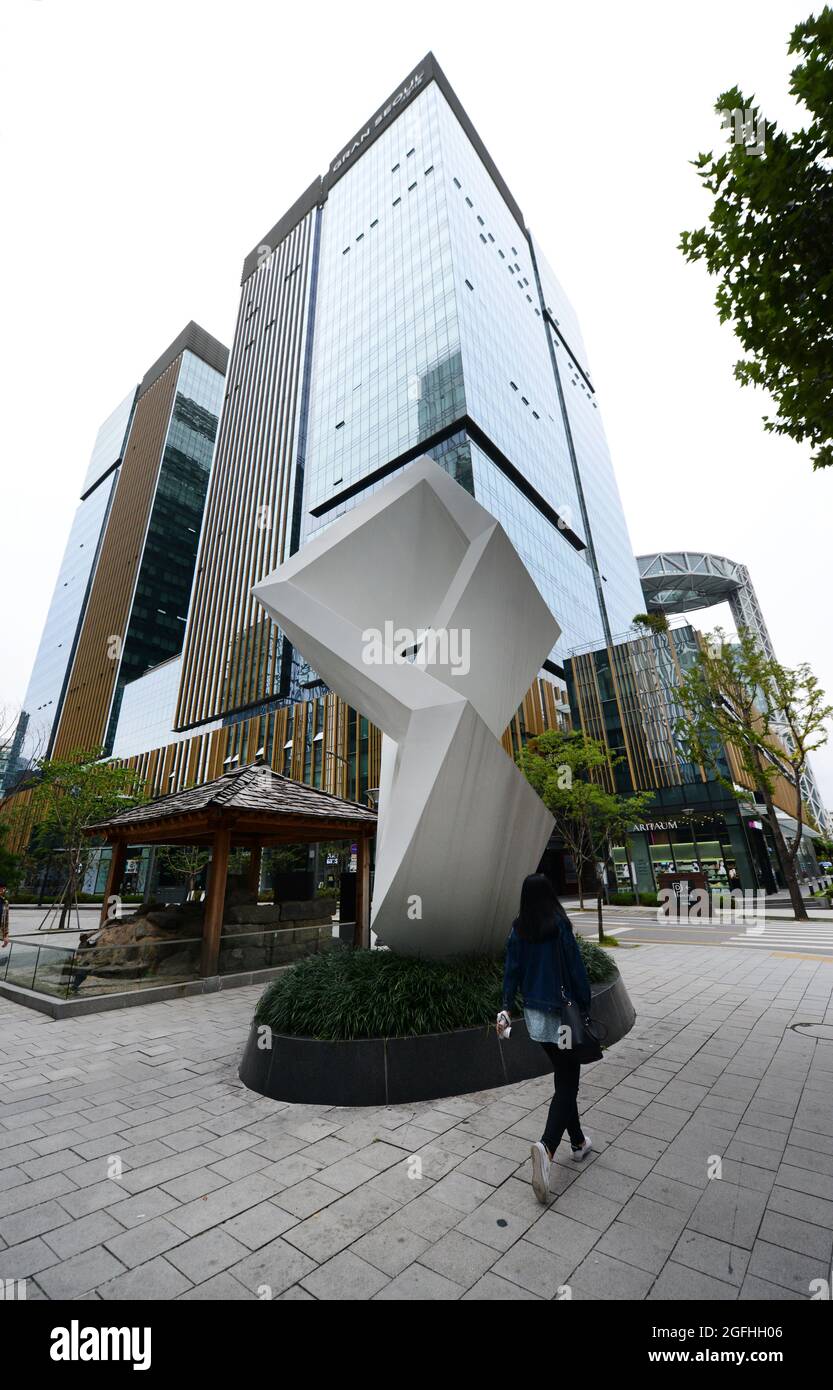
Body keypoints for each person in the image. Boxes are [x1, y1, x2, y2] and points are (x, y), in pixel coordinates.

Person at [499, 873, 594, 1203]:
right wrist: (586, 1003)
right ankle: (547, 1148)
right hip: (563, 1018)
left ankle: (579, 1143)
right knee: (568, 1084)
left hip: (536, 1019)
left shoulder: (518, 927)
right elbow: (575, 966)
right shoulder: (559, 924)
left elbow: (511, 970)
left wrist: (505, 1008)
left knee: (564, 1081)